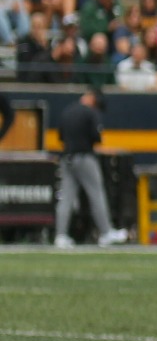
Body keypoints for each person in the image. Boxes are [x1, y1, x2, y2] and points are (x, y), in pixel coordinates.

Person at [54, 88, 127, 247]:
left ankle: (60, 235)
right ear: (94, 100)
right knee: (96, 194)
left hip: (67, 157)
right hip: (85, 157)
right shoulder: (90, 113)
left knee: (66, 197)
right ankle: (106, 231)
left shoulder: (67, 111)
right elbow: (96, 137)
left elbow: (60, 136)